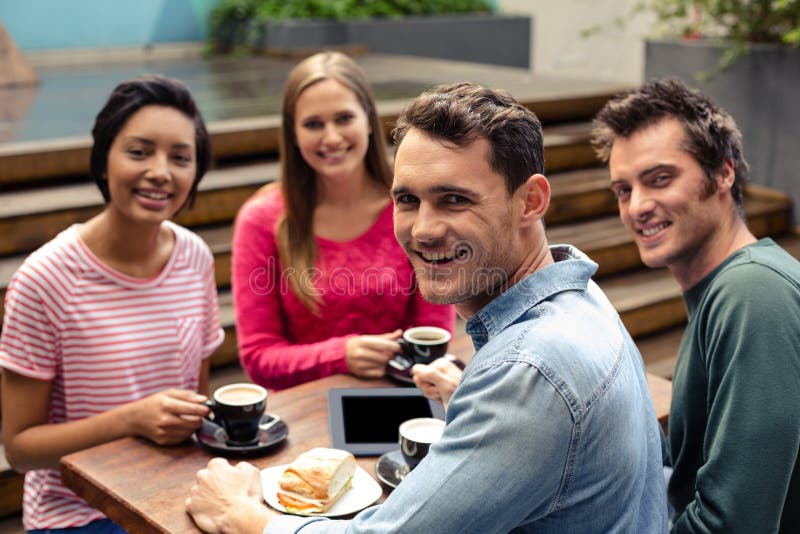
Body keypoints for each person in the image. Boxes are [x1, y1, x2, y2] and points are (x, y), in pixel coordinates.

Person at [186, 82, 668, 533]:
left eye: (454, 199)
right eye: (408, 200)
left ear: (531, 201)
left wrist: (244, 518)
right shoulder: (580, 294)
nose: (423, 230)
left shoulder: (530, 372)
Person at [0, 75, 223, 532]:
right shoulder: (44, 280)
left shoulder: (194, 257)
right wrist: (132, 419)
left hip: (172, 491)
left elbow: (195, 398)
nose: (161, 171)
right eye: (139, 152)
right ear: (103, 161)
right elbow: (20, 448)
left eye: (180, 158)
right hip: (78, 512)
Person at [592, 78, 800, 533]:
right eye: (623, 190)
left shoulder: (752, 292)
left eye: (659, 179)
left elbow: (733, 524)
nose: (637, 207)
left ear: (724, 173)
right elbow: (693, 460)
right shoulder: (725, 288)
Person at [231, 51, 454, 390]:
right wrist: (341, 354)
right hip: (306, 412)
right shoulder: (261, 219)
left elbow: (435, 330)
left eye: (343, 118)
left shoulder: (413, 206)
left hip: (400, 398)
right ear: (293, 133)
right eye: (313, 124)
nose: (331, 137)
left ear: (367, 119)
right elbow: (259, 358)